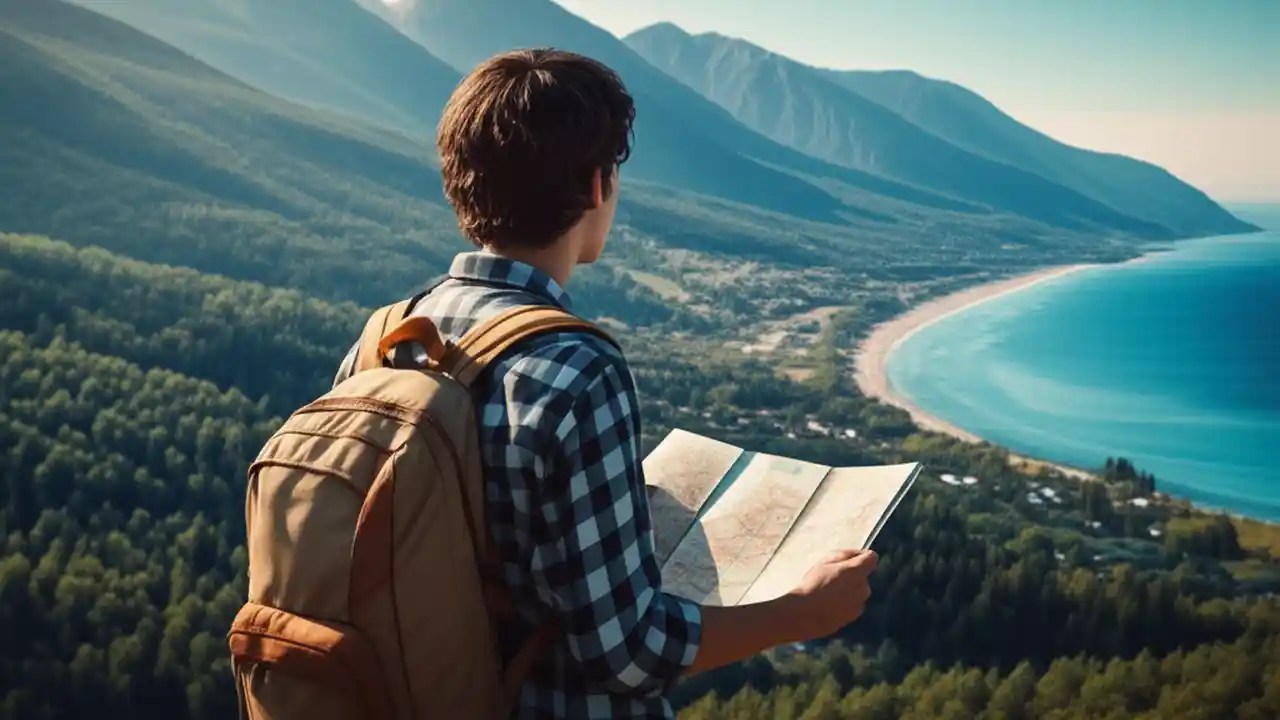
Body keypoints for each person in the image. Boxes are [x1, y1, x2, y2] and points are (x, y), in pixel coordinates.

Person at [332, 48, 878, 720]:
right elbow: (627, 654)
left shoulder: (385, 337)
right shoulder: (577, 371)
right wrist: (803, 612)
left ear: (458, 182)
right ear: (596, 185)